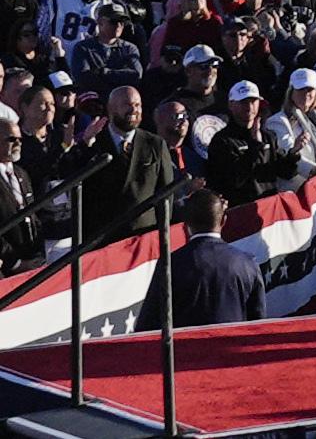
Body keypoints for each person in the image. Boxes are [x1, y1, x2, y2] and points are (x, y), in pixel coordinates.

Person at [138, 188, 262, 329]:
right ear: (223, 221)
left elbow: (148, 324)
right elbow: (258, 325)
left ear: (186, 224)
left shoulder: (170, 264)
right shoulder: (247, 264)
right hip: (233, 342)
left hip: (184, 343)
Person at [70, 84, 175, 242]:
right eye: (127, 104)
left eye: (138, 105)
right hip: (102, 238)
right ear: (111, 108)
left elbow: (166, 194)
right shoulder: (94, 141)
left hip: (143, 238)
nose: (134, 109)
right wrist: (86, 144)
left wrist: (162, 237)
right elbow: (73, 177)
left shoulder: (155, 144)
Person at [203, 81, 296, 207]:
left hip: (269, 209)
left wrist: (293, 153)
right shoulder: (222, 141)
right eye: (243, 102)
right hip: (240, 211)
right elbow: (234, 180)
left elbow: (285, 172)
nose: (249, 106)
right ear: (231, 105)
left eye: (253, 101)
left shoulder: (268, 136)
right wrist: (255, 146)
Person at [263, 69, 316, 180]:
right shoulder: (277, 121)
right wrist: (315, 169)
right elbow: (286, 152)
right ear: (291, 92)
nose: (306, 94)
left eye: (310, 89)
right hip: (298, 186)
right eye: (300, 89)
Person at [0, 114, 41, 272]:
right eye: (11, 139)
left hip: (32, 258)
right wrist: (15, 263)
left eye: (20, 139)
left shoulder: (21, 173)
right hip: (7, 268)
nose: (18, 143)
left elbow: (33, 214)